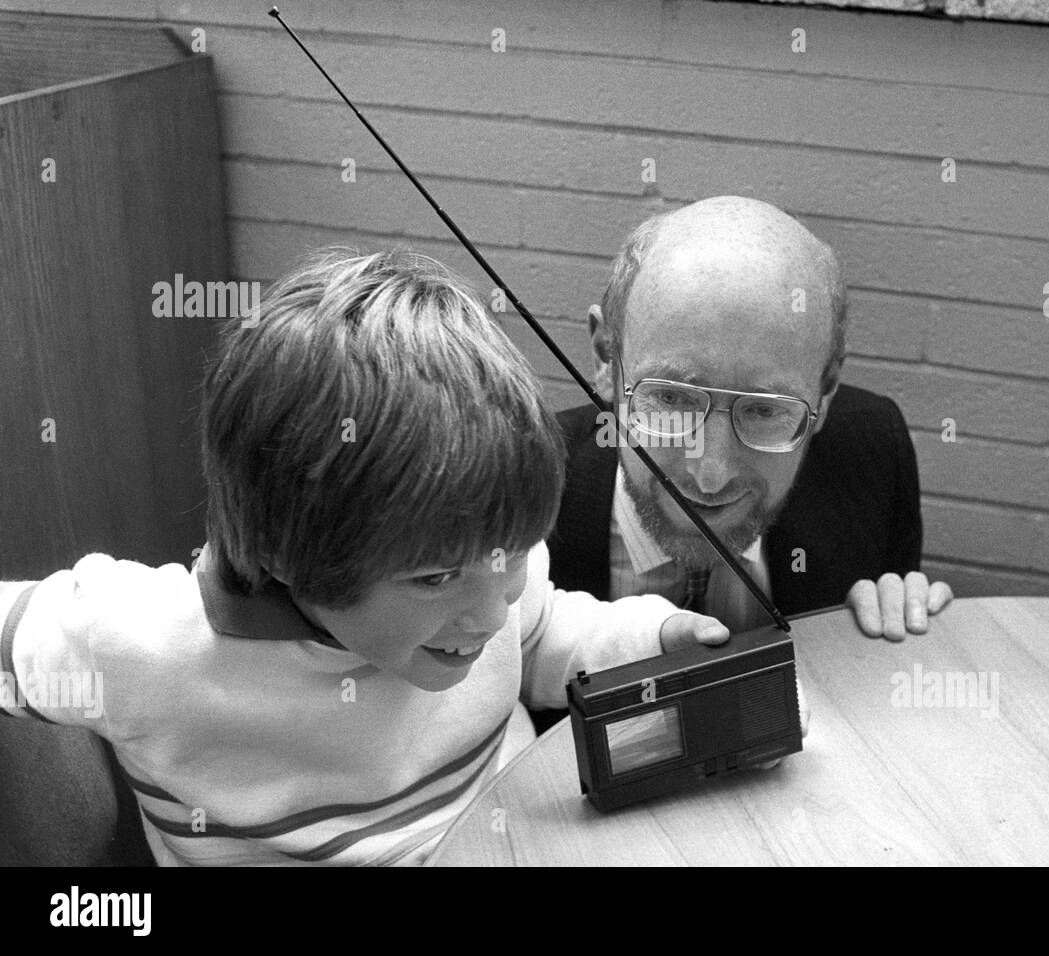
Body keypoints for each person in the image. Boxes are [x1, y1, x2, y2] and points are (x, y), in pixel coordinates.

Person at [0, 249, 729, 866]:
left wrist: (647, 640)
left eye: (504, 556)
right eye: (434, 578)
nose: (490, 611)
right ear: (289, 551)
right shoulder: (135, 643)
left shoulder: (494, 584)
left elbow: (542, 636)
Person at [548, 196, 954, 642]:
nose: (710, 476)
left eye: (765, 410)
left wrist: (892, 623)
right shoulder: (523, 486)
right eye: (671, 397)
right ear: (606, 357)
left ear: (826, 388)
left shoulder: (872, 453)